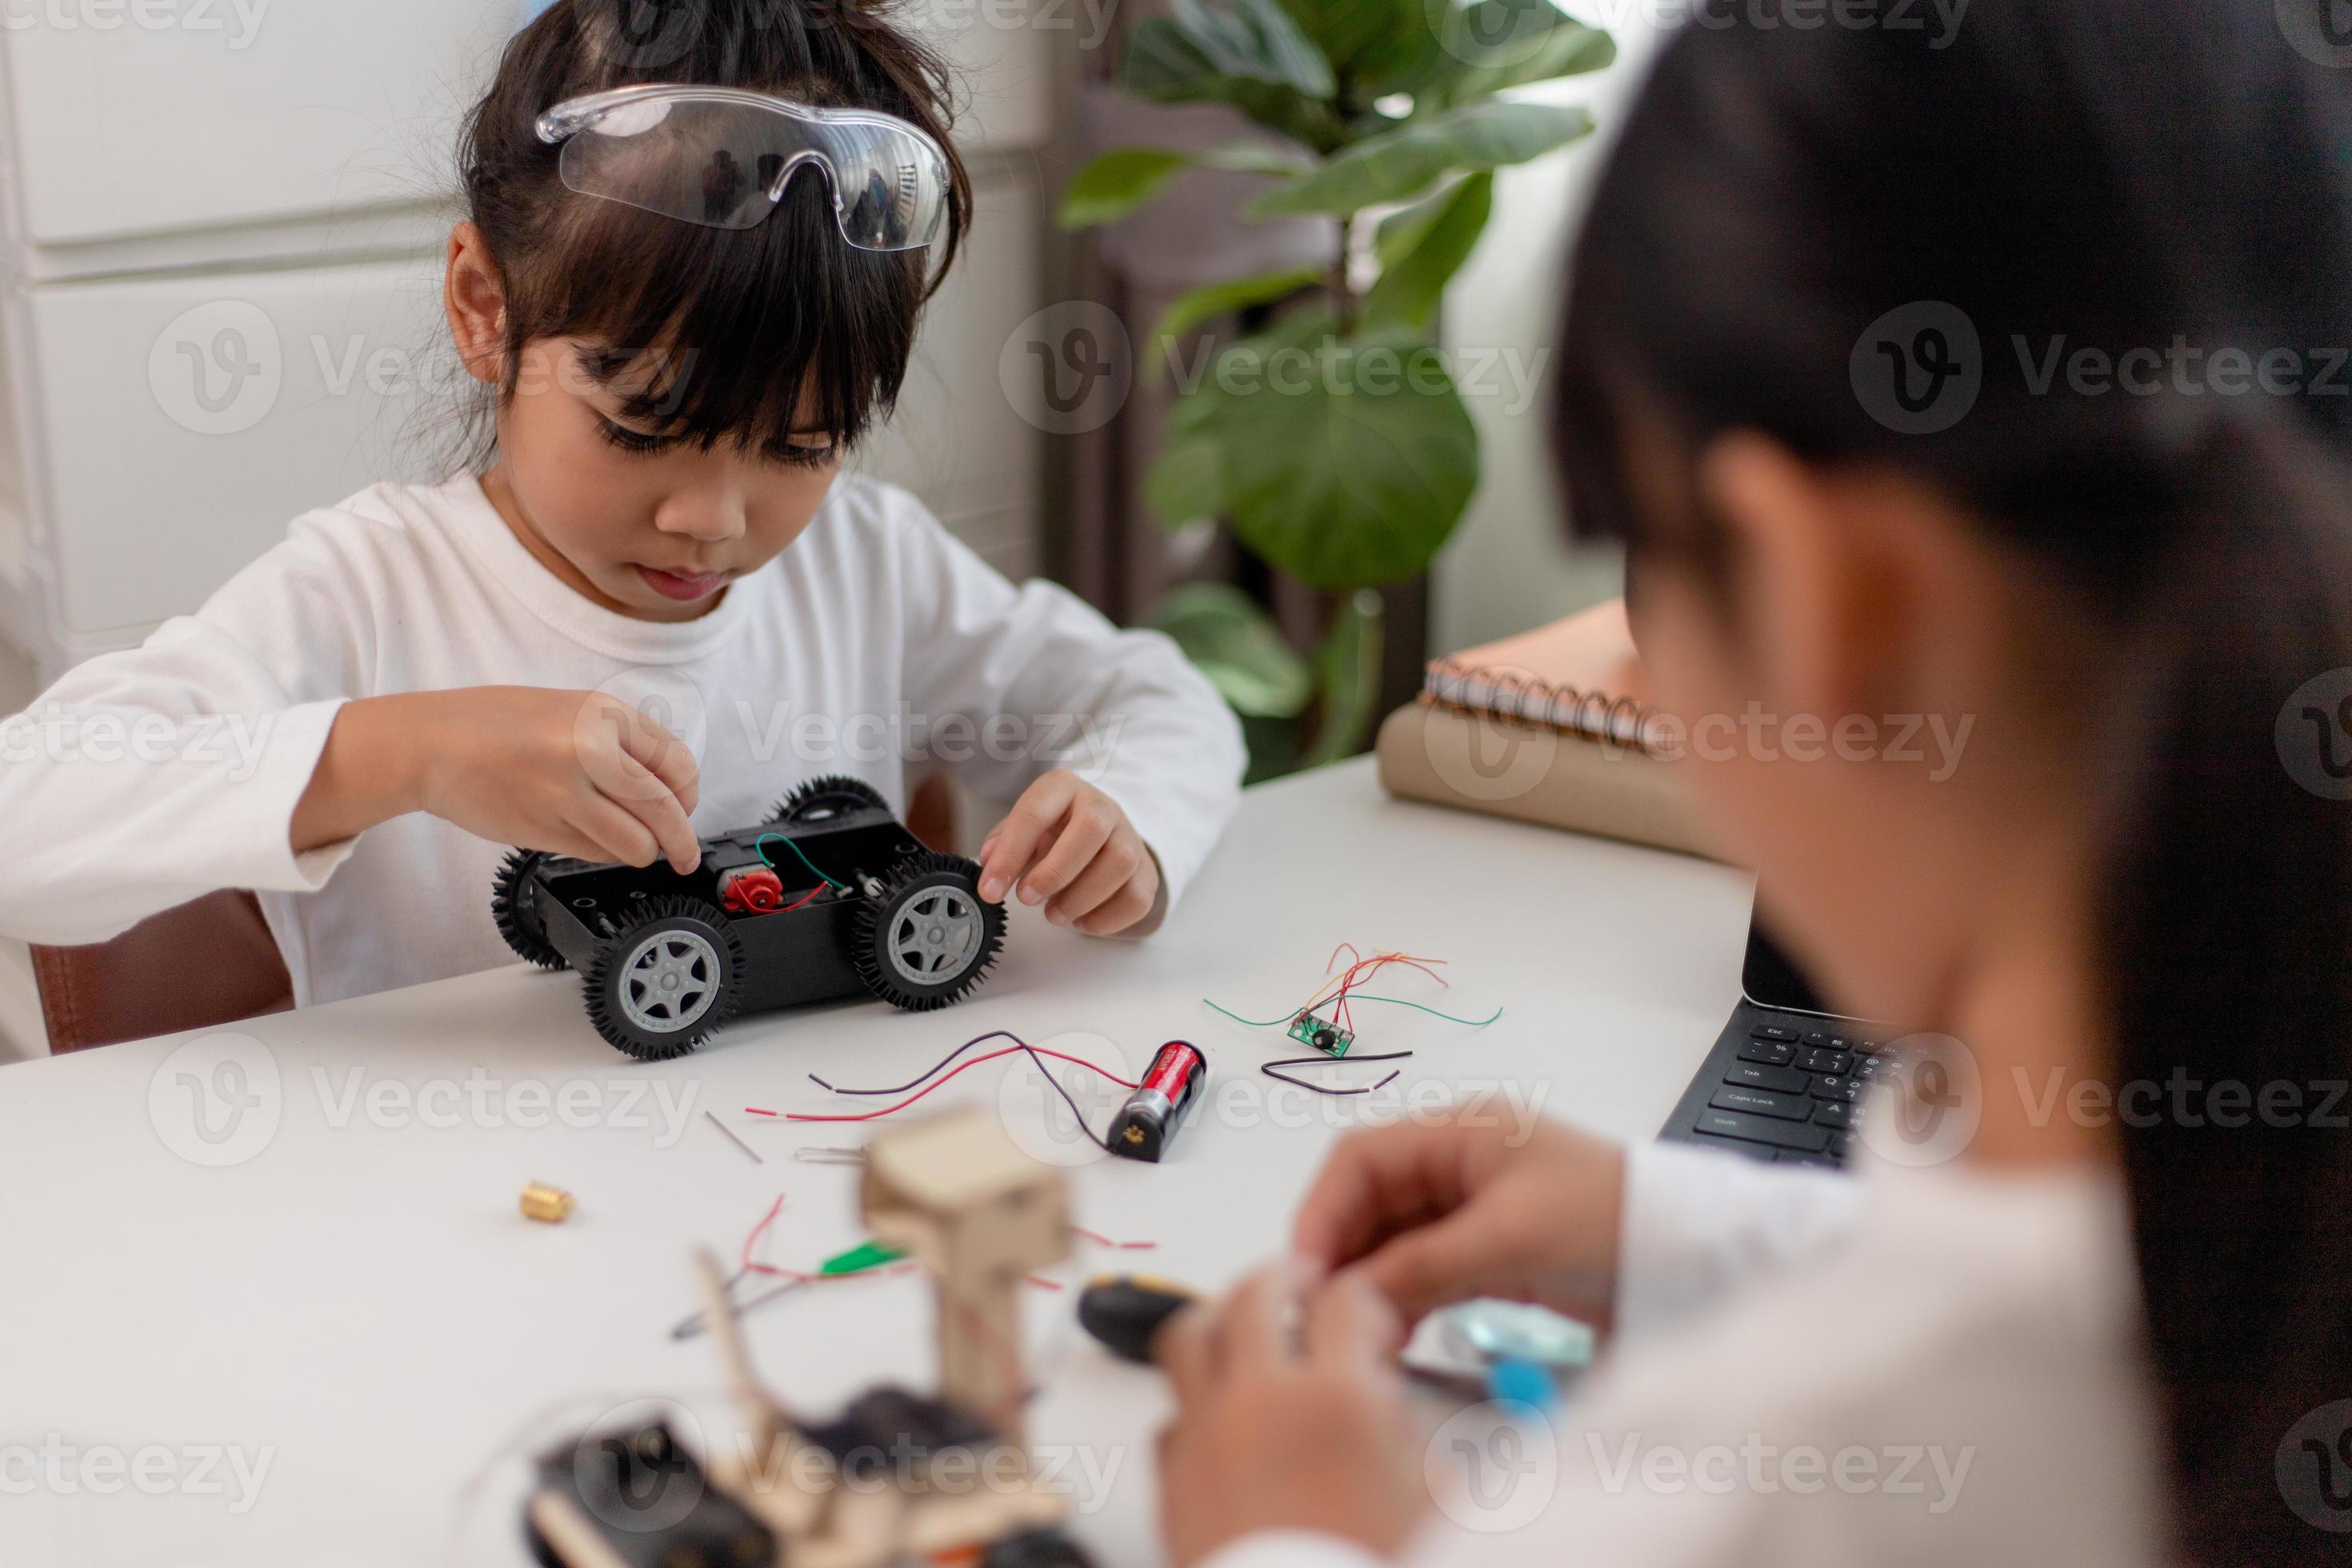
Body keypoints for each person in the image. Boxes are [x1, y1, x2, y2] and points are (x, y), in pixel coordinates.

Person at [1154, 3, 2352, 1566]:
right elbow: (2074, 1288)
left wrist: (1288, 1537)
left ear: (1820, 600)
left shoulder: (1760, 1481)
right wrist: (1674, 1231)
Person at [0, 0, 1244, 1007]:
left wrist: (1131, 811)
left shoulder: (870, 563)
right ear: (486, 307)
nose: (712, 519)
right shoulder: (367, 593)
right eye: (643, 426)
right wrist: (405, 750)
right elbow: (28, 813)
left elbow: (1158, 699)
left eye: (802, 444)